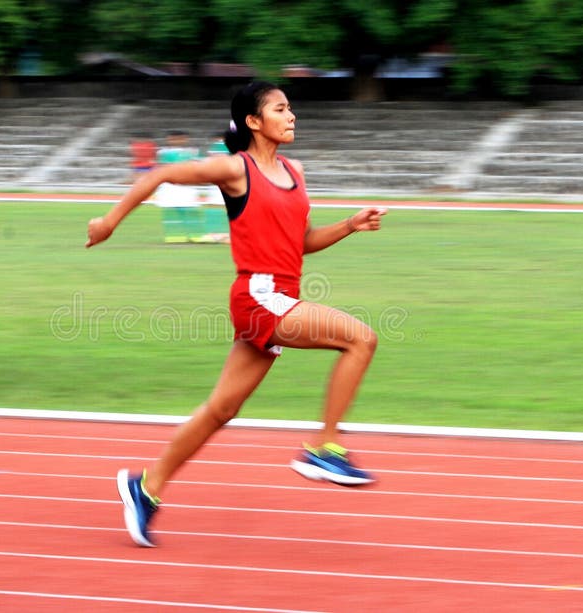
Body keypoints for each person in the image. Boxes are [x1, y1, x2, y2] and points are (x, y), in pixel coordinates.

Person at [86, 81, 387, 547]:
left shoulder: (295, 170)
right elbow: (158, 177)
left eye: (291, 109)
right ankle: (326, 448)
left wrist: (349, 225)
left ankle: (146, 487)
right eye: (281, 109)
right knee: (360, 338)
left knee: (220, 410)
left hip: (280, 296)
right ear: (253, 121)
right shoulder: (235, 169)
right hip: (258, 296)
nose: (292, 116)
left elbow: (300, 243)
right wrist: (108, 221)